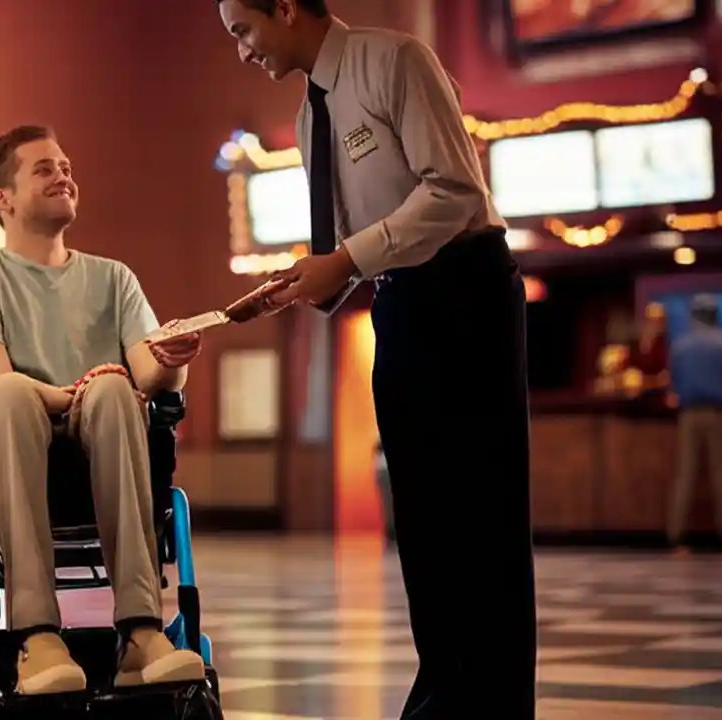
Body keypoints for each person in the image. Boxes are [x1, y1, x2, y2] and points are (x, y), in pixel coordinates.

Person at [215, 2, 537, 717]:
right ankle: (445, 693)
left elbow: (453, 191)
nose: (242, 51)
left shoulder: (395, 61)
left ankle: (494, 703)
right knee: (422, 522)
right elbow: (348, 248)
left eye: (244, 30)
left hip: (467, 291)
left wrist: (346, 260)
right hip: (399, 303)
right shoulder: (310, 115)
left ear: (286, 9)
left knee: (482, 516)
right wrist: (301, 283)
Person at [0, 125, 207, 695]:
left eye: (66, 167)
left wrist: (171, 361)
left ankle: (140, 632)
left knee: (114, 392)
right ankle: (37, 636)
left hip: (105, 426)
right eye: (44, 169)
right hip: (17, 427)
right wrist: (79, 389)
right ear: (3, 198)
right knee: (13, 394)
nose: (63, 175)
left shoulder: (114, 278)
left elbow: (147, 372)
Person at [667, 294, 722, 554]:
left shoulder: (681, 346)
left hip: (689, 414)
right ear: (716, 315)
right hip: (721, 413)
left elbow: (675, 383)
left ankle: (676, 538)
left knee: (685, 474)